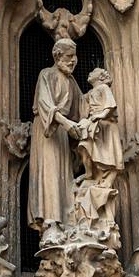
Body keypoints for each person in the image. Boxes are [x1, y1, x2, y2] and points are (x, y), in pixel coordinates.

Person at [27, 37, 81, 240]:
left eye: (74, 57)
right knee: (49, 174)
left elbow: (81, 108)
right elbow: (44, 103)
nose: (73, 61)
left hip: (63, 136)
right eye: (69, 56)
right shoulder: (47, 75)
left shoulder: (71, 82)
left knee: (63, 176)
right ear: (57, 56)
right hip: (47, 130)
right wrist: (66, 123)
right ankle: (50, 221)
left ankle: (66, 221)